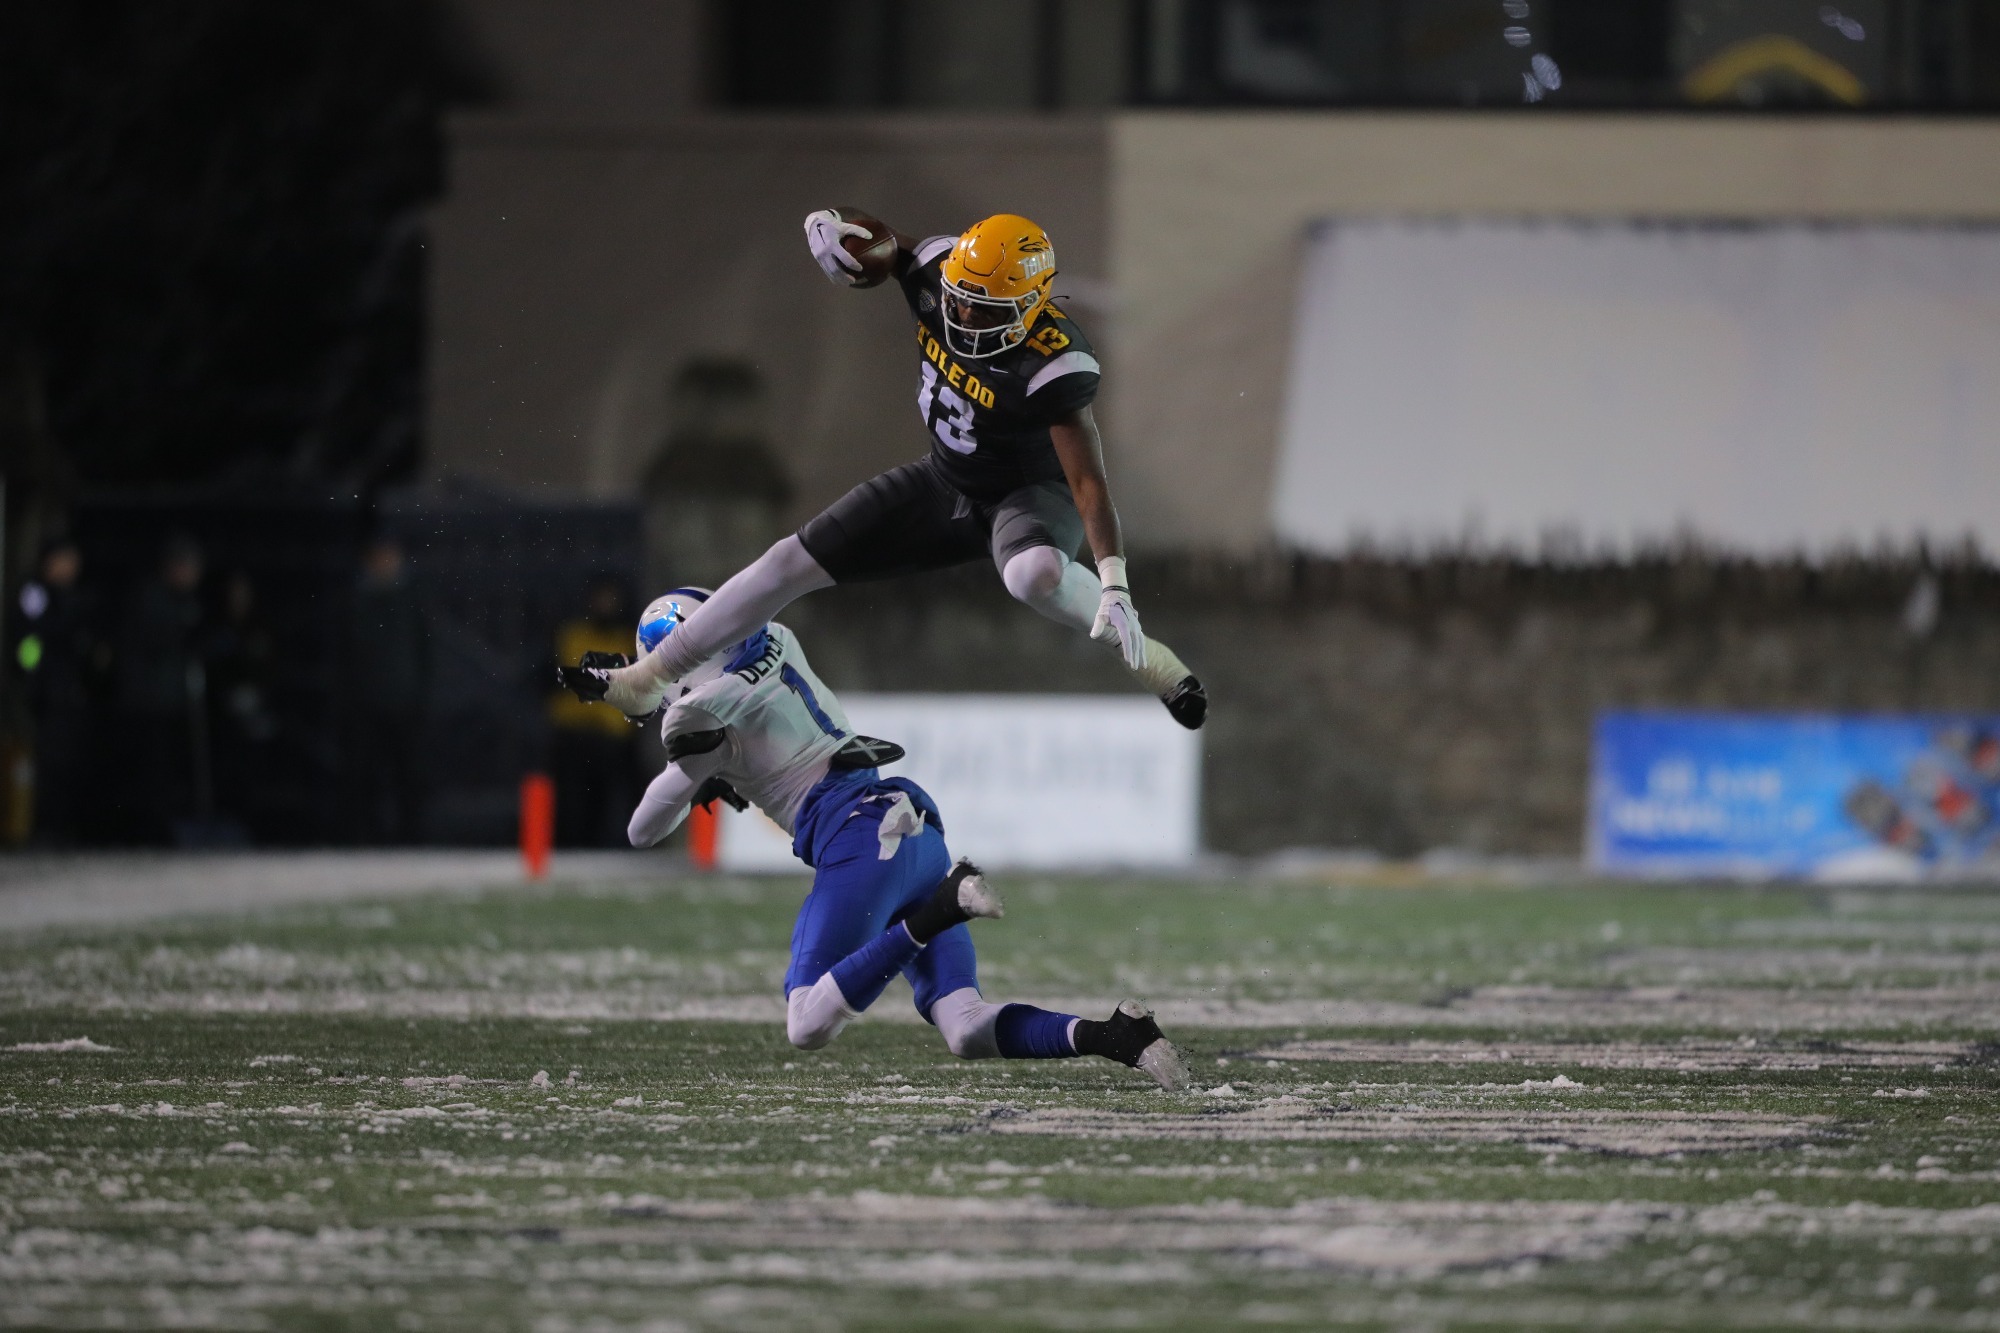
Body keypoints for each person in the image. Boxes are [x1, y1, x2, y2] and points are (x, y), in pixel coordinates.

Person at [574, 211, 1207, 731]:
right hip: (943, 479)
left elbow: (1087, 481)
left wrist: (1115, 583)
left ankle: (1152, 659)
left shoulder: (1055, 363)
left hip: (1026, 494)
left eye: (986, 311)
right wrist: (831, 226)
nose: (963, 318)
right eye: (960, 301)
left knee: (1033, 574)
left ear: (1033, 306)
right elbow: (885, 242)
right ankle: (647, 678)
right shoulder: (939, 269)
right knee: (786, 563)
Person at [566, 586, 1190, 1088]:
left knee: (806, 1024)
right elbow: (740, 706)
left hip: (860, 839)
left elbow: (643, 828)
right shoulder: (777, 638)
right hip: (911, 826)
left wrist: (682, 761)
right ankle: (1117, 1037)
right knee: (965, 1027)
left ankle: (944, 907)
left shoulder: (694, 712)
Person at [547, 577, 642, 847]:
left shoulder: (626, 638)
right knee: (573, 797)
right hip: (575, 732)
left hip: (612, 737)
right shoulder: (573, 634)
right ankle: (569, 842)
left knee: (614, 791)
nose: (605, 606)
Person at [347, 535, 430, 843]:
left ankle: (410, 837)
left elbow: (425, 652)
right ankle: (367, 837)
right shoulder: (358, 600)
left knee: (408, 775)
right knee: (366, 776)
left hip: (404, 704)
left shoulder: (411, 599)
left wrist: (420, 698)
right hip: (368, 704)